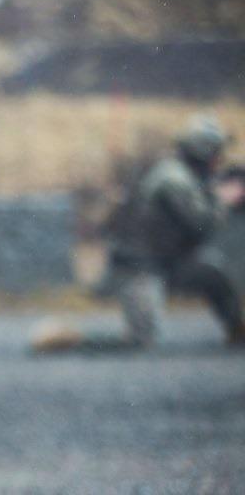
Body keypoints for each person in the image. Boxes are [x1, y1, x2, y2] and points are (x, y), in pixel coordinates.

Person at [34, 115, 245, 352]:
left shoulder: (182, 174)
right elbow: (202, 225)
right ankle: (66, 339)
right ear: (204, 152)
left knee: (213, 271)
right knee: (141, 341)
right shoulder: (173, 179)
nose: (220, 159)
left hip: (169, 263)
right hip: (139, 267)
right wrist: (222, 199)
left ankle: (237, 329)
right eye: (217, 152)